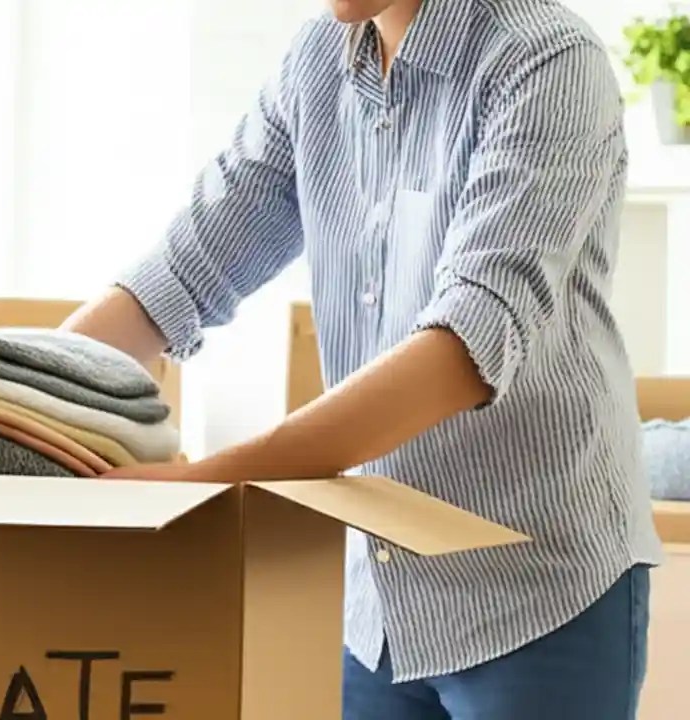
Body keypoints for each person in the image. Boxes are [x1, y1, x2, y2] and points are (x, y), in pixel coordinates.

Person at [59, 0, 663, 718]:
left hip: (540, 590)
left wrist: (206, 486)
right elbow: (186, 270)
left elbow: (461, 351)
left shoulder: (548, 61)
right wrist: (2, 396)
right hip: (378, 602)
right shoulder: (317, 63)